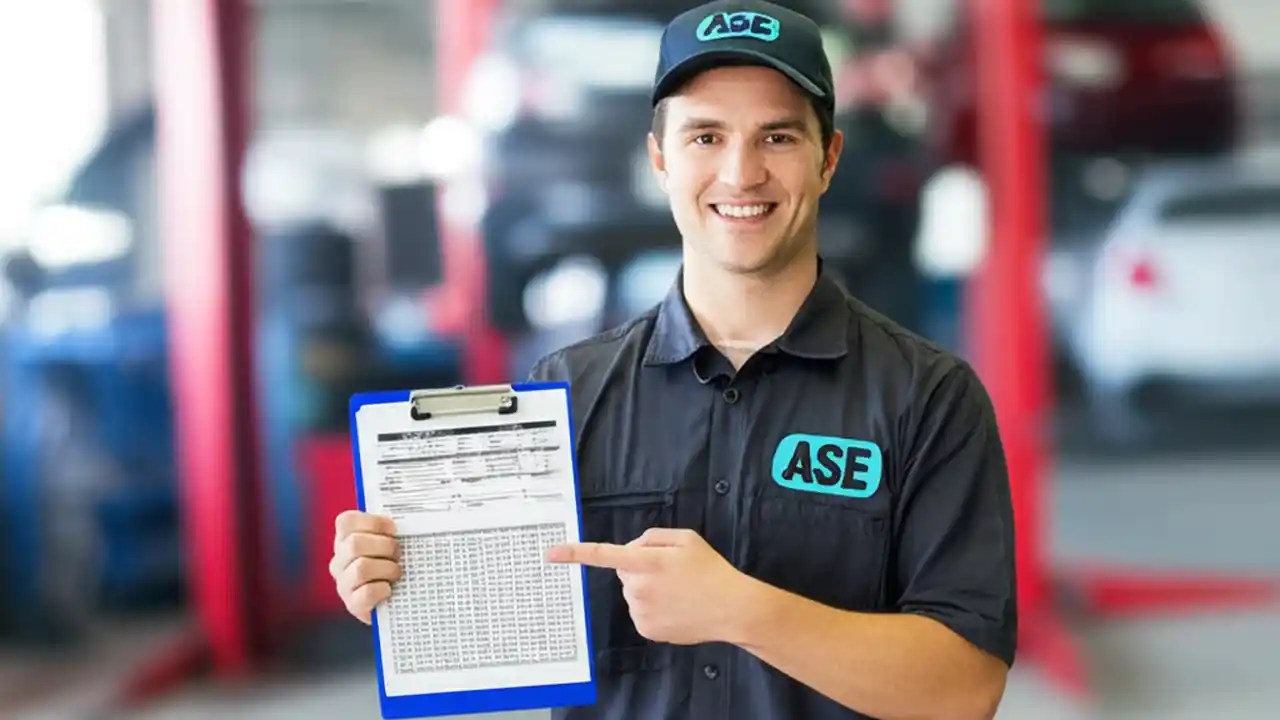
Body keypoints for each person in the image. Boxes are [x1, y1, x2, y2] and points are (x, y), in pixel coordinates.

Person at [330, 1, 1016, 718]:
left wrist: (743, 611)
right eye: (705, 136)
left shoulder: (928, 398)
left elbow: (963, 690)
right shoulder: (564, 393)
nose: (741, 172)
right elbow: (491, 616)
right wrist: (400, 583)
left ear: (828, 158)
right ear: (661, 159)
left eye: (776, 136)